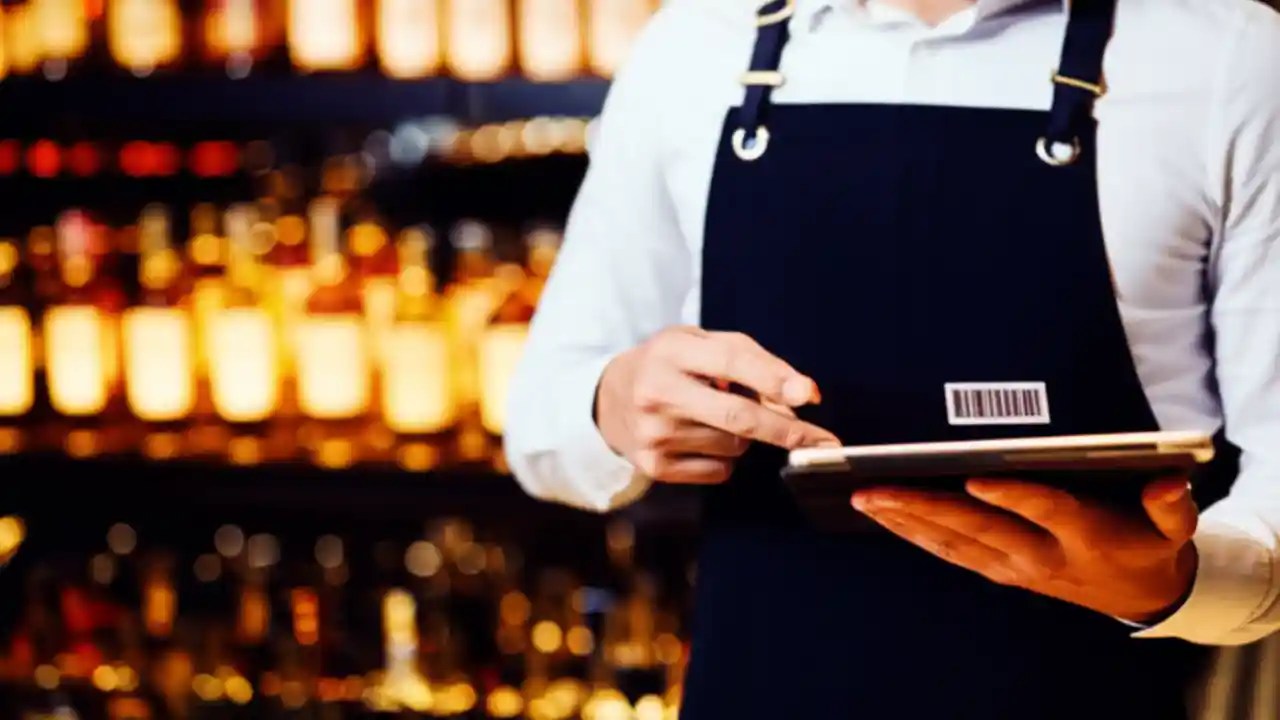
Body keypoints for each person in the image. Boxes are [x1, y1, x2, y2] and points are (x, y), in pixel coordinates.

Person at [503, 0, 1280, 717]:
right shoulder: (695, 41)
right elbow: (543, 422)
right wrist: (616, 400)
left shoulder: (1225, 56)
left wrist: (1179, 583)